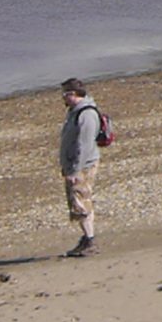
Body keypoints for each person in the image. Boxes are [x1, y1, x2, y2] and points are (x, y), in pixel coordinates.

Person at [58, 78, 103, 258]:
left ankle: (89, 240)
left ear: (73, 94)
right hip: (76, 165)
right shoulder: (75, 112)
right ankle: (87, 238)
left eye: (65, 94)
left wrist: (75, 171)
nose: (63, 98)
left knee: (80, 202)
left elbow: (84, 145)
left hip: (82, 166)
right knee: (78, 201)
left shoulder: (86, 114)